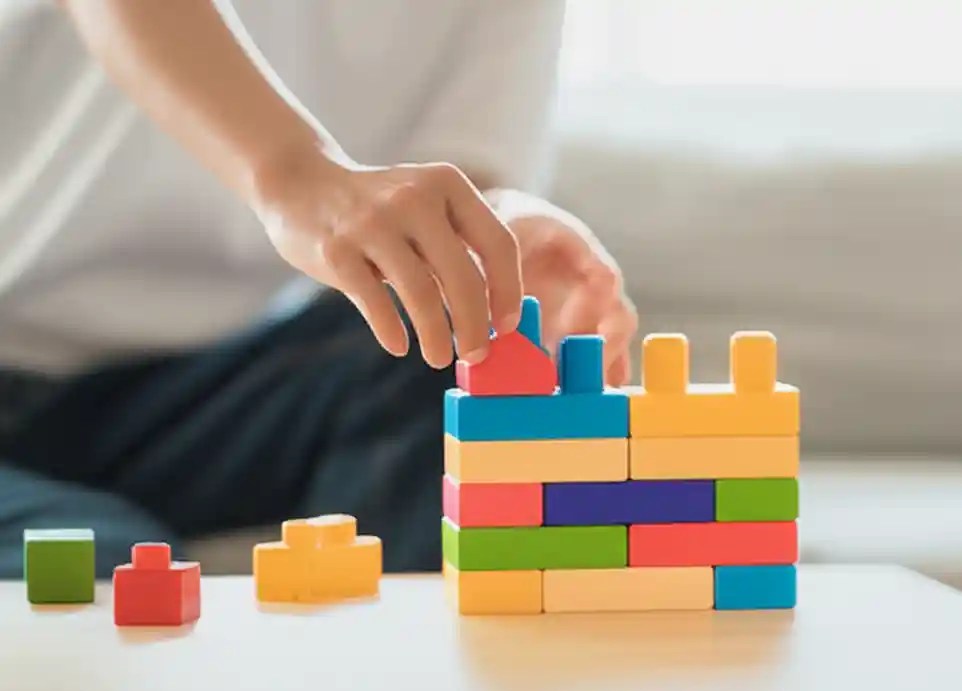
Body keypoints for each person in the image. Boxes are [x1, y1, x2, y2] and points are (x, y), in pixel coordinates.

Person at [0, 0, 637, 576]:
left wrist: (497, 237)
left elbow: (459, 185)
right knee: (86, 558)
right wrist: (295, 174)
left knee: (450, 351)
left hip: (192, 387)